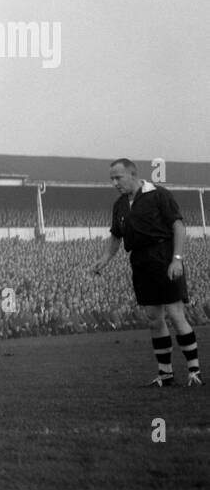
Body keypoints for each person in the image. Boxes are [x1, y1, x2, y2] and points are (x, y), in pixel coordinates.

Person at [93, 158, 200, 387]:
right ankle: (165, 374)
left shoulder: (158, 194)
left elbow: (178, 226)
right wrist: (105, 258)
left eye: (118, 178)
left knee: (175, 314)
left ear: (132, 174)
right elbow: (116, 236)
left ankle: (194, 371)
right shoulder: (120, 204)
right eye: (111, 178)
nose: (114, 183)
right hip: (140, 262)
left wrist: (177, 259)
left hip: (164, 256)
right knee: (154, 319)